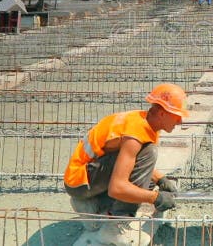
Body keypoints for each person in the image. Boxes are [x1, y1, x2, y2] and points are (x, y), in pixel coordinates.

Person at [64, 83, 190, 245]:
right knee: (148, 156)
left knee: (146, 178)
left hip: (87, 177)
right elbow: (118, 187)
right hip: (80, 182)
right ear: (161, 113)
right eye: (177, 115)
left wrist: (160, 179)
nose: (180, 121)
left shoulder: (144, 123)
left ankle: (93, 205)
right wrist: (156, 198)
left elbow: (133, 163)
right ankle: (116, 226)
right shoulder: (136, 134)